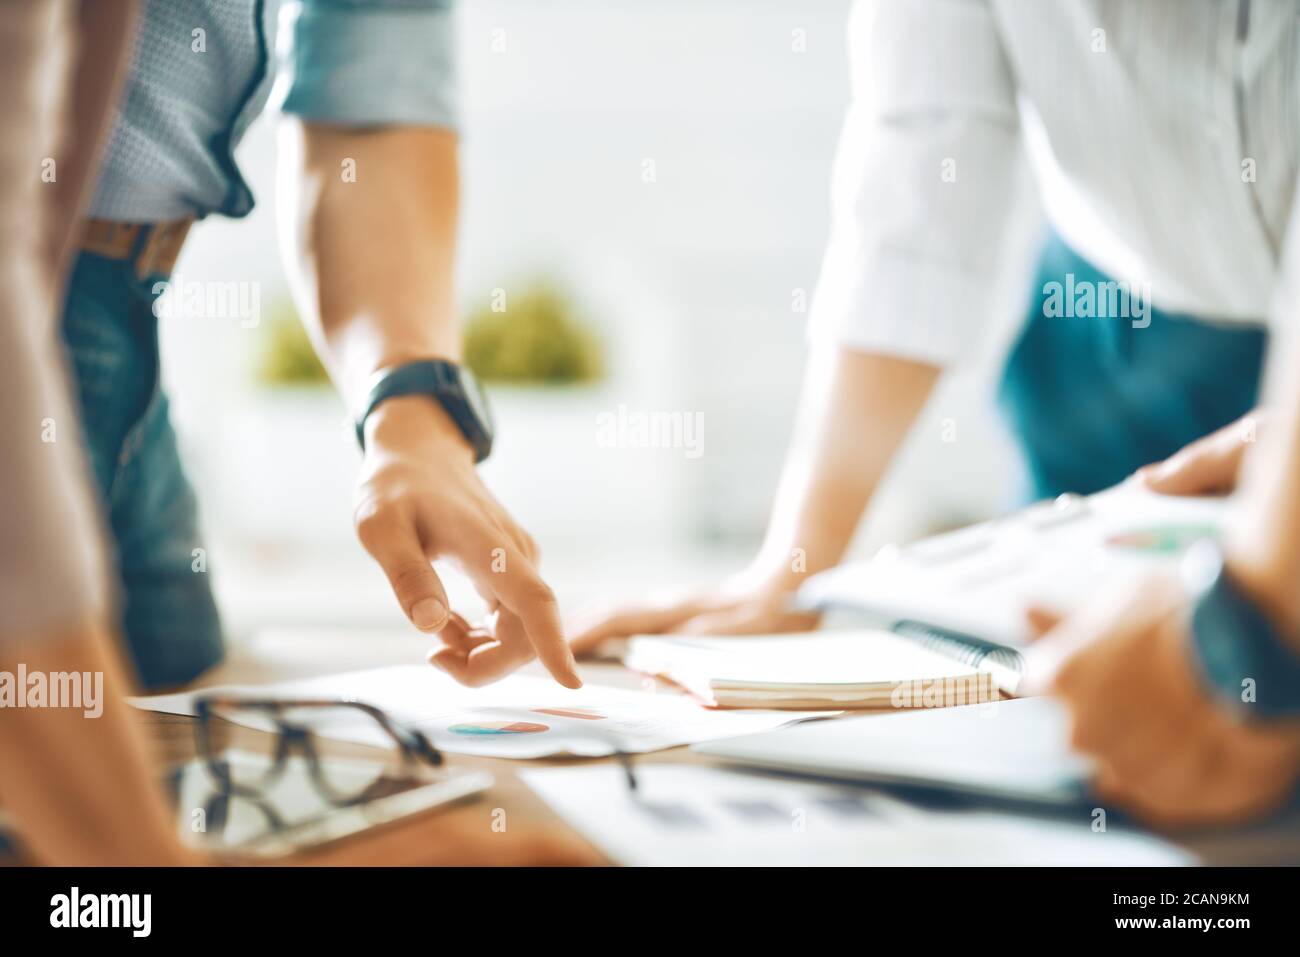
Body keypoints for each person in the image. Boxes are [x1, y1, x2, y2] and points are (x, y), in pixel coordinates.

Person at [0, 0, 590, 867]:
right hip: (28, 323)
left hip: (124, 322)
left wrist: (412, 411)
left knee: (182, 702)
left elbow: (373, 73)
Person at [571, 0, 1299, 649]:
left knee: (1247, 695)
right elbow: (923, 159)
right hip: (1115, 329)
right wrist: (794, 565)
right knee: (1053, 692)